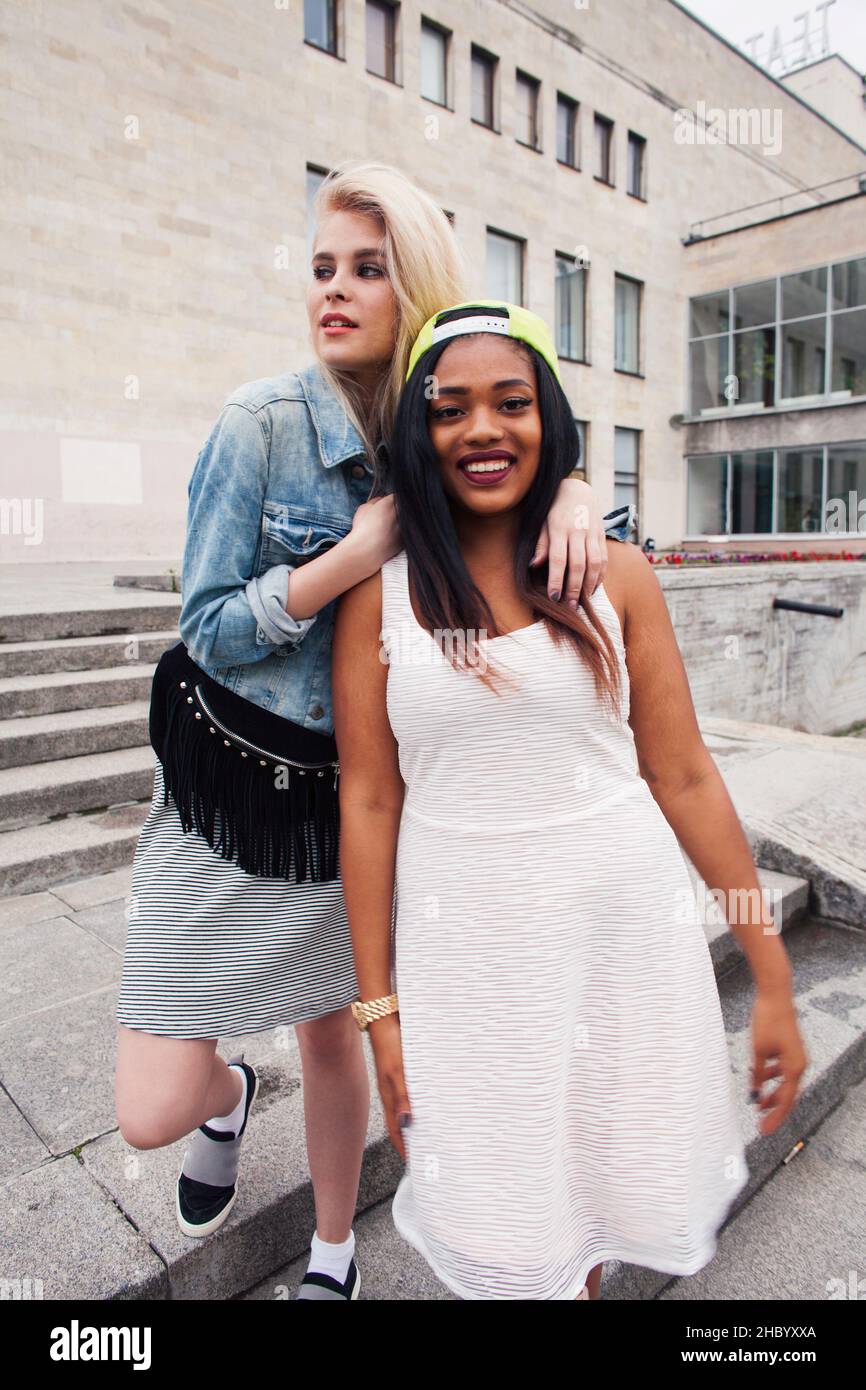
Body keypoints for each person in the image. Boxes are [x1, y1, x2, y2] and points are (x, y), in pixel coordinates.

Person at [114, 163, 628, 1301]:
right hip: (225, 785)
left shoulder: (437, 425)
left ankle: (333, 1248)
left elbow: (540, 469)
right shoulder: (258, 425)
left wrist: (581, 485)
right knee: (149, 1105)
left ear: (418, 287)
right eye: (319, 269)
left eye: (366, 268)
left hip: (345, 801)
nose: (333, 291)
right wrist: (344, 559)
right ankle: (225, 1102)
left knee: (331, 1033)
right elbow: (201, 627)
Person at [332, 300, 809, 1301]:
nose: (481, 430)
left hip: (616, 946)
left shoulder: (616, 576)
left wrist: (768, 971)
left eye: (510, 402)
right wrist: (378, 1010)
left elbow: (682, 779)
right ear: (419, 431)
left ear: (548, 416)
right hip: (465, 964)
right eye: (450, 408)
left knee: (596, 1207)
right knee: (505, 1234)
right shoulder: (378, 594)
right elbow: (369, 805)